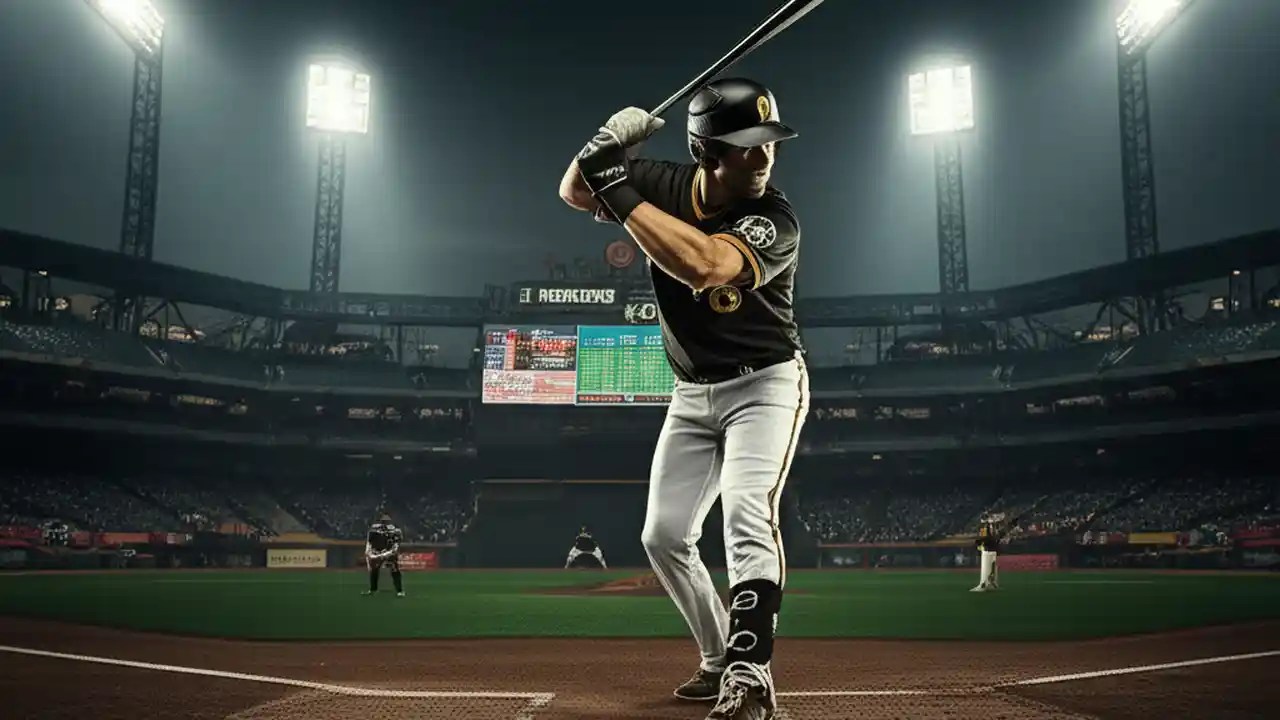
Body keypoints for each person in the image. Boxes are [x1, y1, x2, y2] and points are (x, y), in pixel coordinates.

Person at [559, 77, 809, 720]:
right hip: (692, 391)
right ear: (706, 152)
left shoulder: (775, 218)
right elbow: (575, 187)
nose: (763, 156)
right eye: (746, 146)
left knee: (749, 512)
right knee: (664, 534)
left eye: (768, 142)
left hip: (766, 383)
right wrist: (602, 143)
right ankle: (718, 657)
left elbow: (704, 266)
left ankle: (752, 675)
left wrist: (615, 182)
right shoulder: (663, 182)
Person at [363, 512, 405, 597]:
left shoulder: (395, 530)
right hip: (377, 552)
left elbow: (396, 544)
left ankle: (399, 590)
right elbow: (370, 541)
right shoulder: (374, 529)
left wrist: (388, 553)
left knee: (395, 570)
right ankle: (373, 589)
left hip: (389, 553)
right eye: (383, 519)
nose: (385, 521)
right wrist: (369, 552)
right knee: (374, 571)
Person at [972, 518, 1002, 592]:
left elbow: (982, 540)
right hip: (993, 551)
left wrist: (978, 542)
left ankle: (984, 585)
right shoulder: (994, 531)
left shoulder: (986, 531)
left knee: (986, 569)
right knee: (992, 569)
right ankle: (992, 584)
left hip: (987, 552)